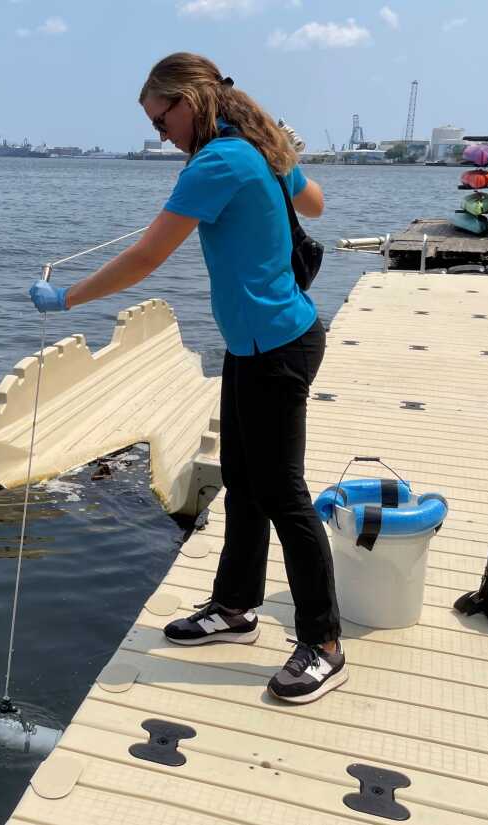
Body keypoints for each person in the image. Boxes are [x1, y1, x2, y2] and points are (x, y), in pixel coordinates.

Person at [29, 52, 344, 704]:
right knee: (243, 480)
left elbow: (145, 257)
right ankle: (234, 608)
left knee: (281, 492)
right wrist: (284, 152)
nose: (160, 134)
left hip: (277, 347)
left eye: (160, 118)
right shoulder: (249, 146)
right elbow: (312, 202)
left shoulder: (219, 160)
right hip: (258, 343)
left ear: (189, 101)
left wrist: (67, 301)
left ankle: (325, 642)